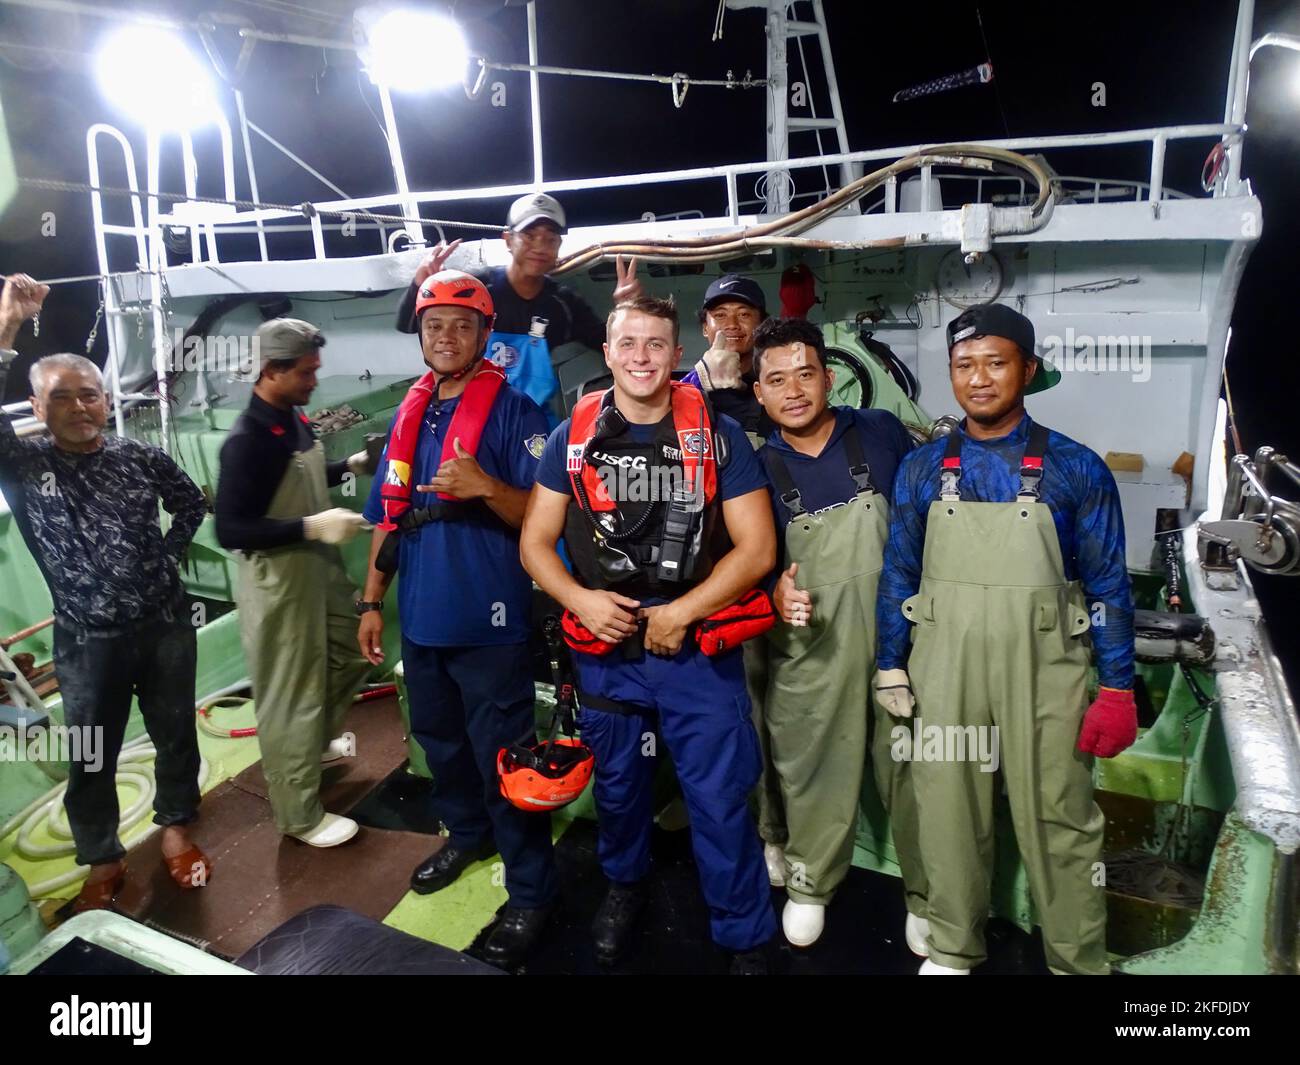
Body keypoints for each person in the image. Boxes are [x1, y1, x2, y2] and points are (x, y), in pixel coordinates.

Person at [520, 294, 780, 974]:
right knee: (619, 786)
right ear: (607, 353)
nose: (641, 356)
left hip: (692, 646)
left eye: (655, 344)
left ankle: (744, 933)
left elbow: (755, 548)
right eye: (627, 343)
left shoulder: (717, 436)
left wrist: (684, 610)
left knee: (719, 796)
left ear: (677, 354)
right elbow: (536, 542)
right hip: (605, 648)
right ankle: (625, 886)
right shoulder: (569, 438)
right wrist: (579, 596)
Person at [875, 303, 1136, 975]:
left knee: (1060, 817)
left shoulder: (1078, 469)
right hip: (944, 667)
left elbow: (1108, 586)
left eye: (996, 363)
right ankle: (954, 947)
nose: (979, 379)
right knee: (947, 811)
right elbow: (899, 570)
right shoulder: (923, 468)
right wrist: (889, 665)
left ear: (1027, 369)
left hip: (1046, 672)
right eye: (964, 365)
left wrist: (1117, 685)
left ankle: (1077, 959)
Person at [359, 270, 558, 969]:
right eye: (433, 324)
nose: (446, 336)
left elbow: (546, 516)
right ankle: (466, 835)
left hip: (489, 620)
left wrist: (486, 488)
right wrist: (371, 597)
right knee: (440, 743)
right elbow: (389, 513)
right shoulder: (409, 413)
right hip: (420, 618)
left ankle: (531, 889)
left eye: (461, 325)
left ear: (484, 335)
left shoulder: (515, 411)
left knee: (508, 760)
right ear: (420, 335)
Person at [0, 272, 210, 911]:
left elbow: (190, 503)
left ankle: (175, 830)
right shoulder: (22, 465)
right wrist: (7, 325)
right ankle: (104, 858)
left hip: (165, 624)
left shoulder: (137, 457)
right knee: (92, 752)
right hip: (86, 639)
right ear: (37, 407)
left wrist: (166, 559)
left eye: (90, 394)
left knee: (176, 735)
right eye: (61, 397)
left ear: (106, 400)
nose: (80, 406)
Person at [746, 316, 923, 950]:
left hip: (898, 638)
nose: (793, 390)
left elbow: (927, 520)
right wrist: (773, 593)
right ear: (759, 392)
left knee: (912, 770)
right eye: (776, 380)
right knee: (809, 767)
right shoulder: (753, 466)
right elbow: (742, 559)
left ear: (829, 378)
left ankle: (929, 899)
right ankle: (810, 883)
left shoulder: (880, 432)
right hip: (810, 649)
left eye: (805, 374)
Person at [214, 318, 372, 848]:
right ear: (271, 371)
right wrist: (310, 525)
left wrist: (346, 465)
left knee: (350, 653)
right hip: (278, 580)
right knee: (290, 696)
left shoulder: (289, 419)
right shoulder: (246, 440)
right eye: (305, 372)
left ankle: (312, 744)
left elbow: (301, 472)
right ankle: (299, 815)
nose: (314, 379)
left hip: (316, 570)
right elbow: (231, 529)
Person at [395, 193, 640, 418]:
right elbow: (409, 326)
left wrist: (625, 310)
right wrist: (420, 285)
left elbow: (607, 344)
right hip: (470, 415)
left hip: (532, 420)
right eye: (529, 235)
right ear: (508, 240)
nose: (540, 247)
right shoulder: (477, 288)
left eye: (550, 239)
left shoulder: (563, 303)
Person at [680, 273, 771, 438]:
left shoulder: (775, 383)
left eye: (744, 314)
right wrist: (702, 379)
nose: (732, 325)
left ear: (762, 324)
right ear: (705, 328)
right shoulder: (689, 386)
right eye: (720, 315)